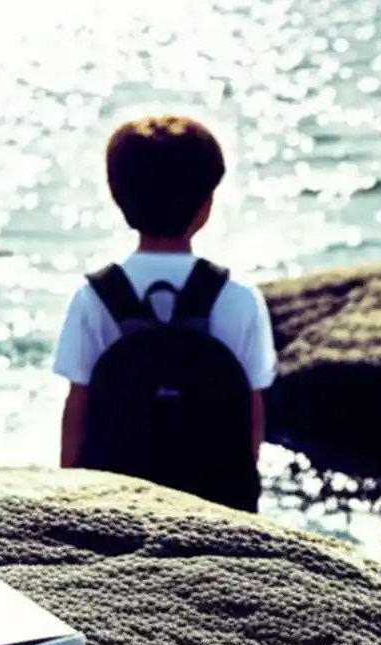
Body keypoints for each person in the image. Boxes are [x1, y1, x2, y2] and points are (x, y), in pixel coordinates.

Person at [51, 114, 277, 511]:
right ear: (206, 205)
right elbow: (251, 413)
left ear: (119, 199)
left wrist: (71, 499)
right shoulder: (239, 298)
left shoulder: (95, 297)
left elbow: (78, 409)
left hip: (115, 503)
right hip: (215, 499)